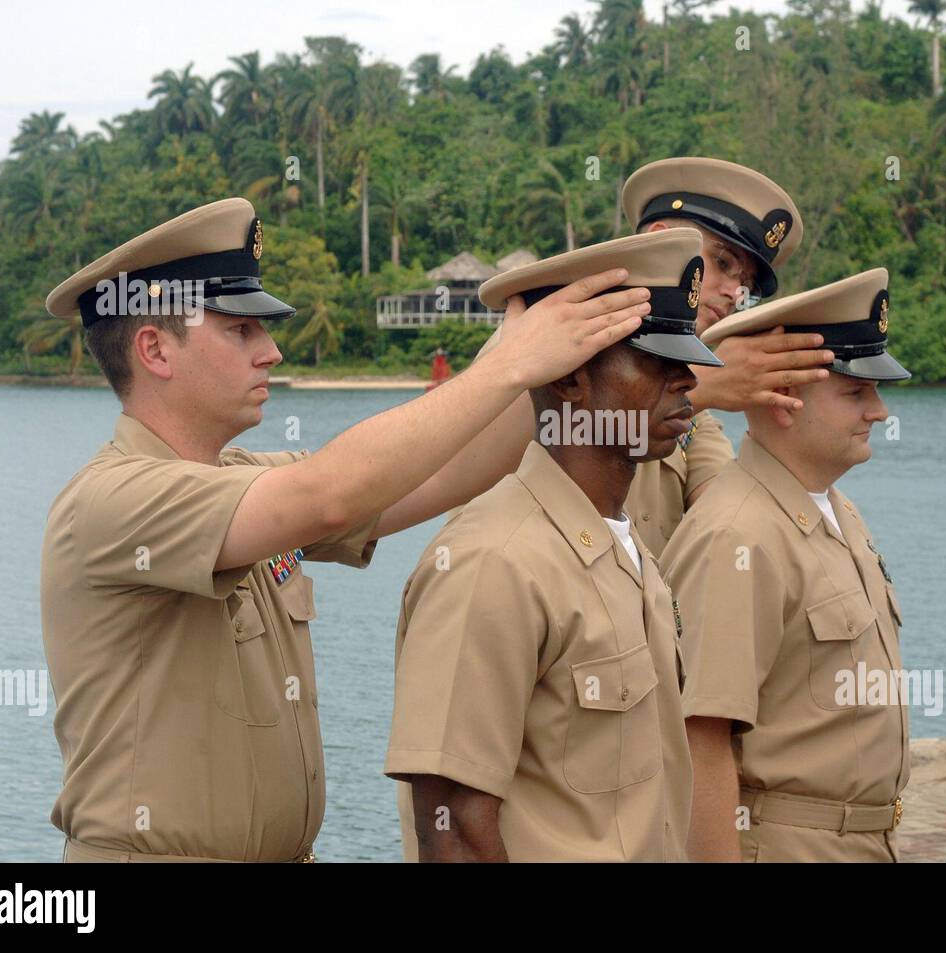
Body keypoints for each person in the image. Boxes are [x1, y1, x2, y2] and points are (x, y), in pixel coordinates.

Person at [40, 197, 650, 862]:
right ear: (155, 348)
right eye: (240, 331)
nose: (270, 352)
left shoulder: (241, 481)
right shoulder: (112, 499)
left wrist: (554, 351)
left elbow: (449, 470)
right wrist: (507, 366)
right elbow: (332, 493)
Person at [384, 228, 719, 861]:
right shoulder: (493, 562)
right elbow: (452, 826)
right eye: (656, 360)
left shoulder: (623, 546)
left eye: (687, 358)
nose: (688, 382)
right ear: (567, 379)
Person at [432, 157, 836, 556]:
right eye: (723, 263)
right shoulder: (547, 337)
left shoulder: (689, 396)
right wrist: (711, 384)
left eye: (744, 282)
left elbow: (725, 522)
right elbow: (515, 441)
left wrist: (783, 415)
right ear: (658, 239)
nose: (735, 292)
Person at [660, 268, 911, 862]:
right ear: (782, 401)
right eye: (855, 392)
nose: (877, 411)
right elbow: (700, 743)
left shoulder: (834, 511)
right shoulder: (736, 535)